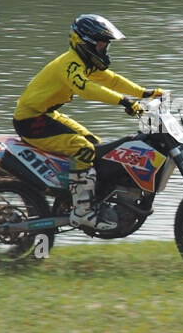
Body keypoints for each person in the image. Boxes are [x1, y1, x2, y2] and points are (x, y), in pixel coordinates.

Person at [13, 14, 166, 231]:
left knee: (96, 146)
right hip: (31, 120)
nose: (105, 49)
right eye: (102, 44)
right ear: (85, 43)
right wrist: (124, 101)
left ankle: (84, 196)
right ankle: (82, 212)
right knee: (84, 150)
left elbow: (111, 80)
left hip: (46, 115)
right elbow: (85, 88)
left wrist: (144, 93)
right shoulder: (70, 66)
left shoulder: (84, 63)